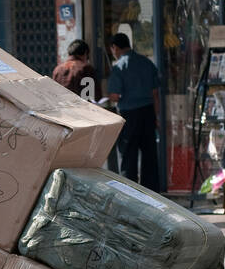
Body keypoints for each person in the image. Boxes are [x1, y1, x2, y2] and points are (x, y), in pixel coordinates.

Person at [105, 32, 163, 192]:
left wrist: (108, 96)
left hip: (129, 115)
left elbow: (115, 96)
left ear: (115, 48)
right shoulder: (146, 62)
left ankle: (130, 192)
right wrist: (156, 116)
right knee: (149, 154)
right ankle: (152, 192)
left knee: (128, 155)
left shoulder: (119, 67)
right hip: (148, 112)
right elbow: (155, 93)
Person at [52, 39, 117, 171]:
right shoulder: (86, 69)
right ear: (85, 54)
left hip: (64, 121)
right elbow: (93, 98)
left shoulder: (58, 70)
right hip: (84, 121)